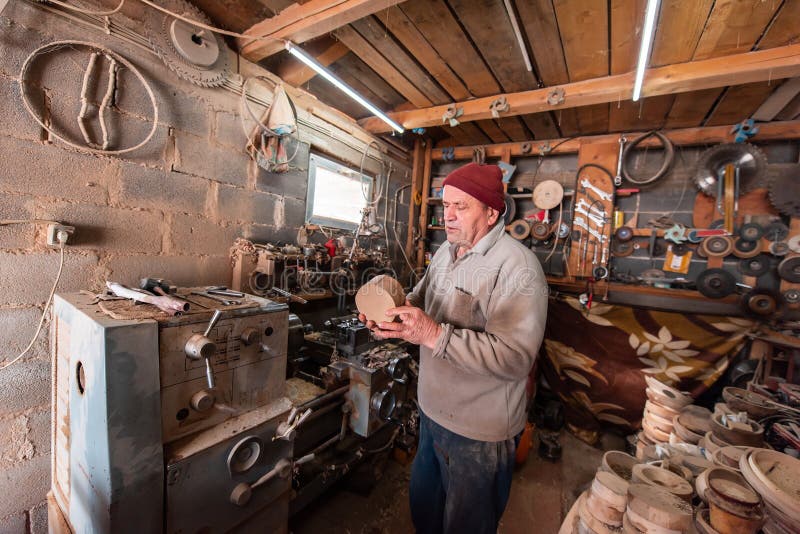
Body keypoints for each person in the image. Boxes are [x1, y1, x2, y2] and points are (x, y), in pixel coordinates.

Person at [361, 162, 548, 534]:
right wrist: (392, 318)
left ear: (492, 211)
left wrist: (433, 335)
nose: (447, 216)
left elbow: (514, 359)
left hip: (478, 433)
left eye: (461, 207)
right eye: (445, 206)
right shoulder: (447, 252)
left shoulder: (519, 267)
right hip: (432, 414)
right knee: (425, 515)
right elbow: (419, 298)